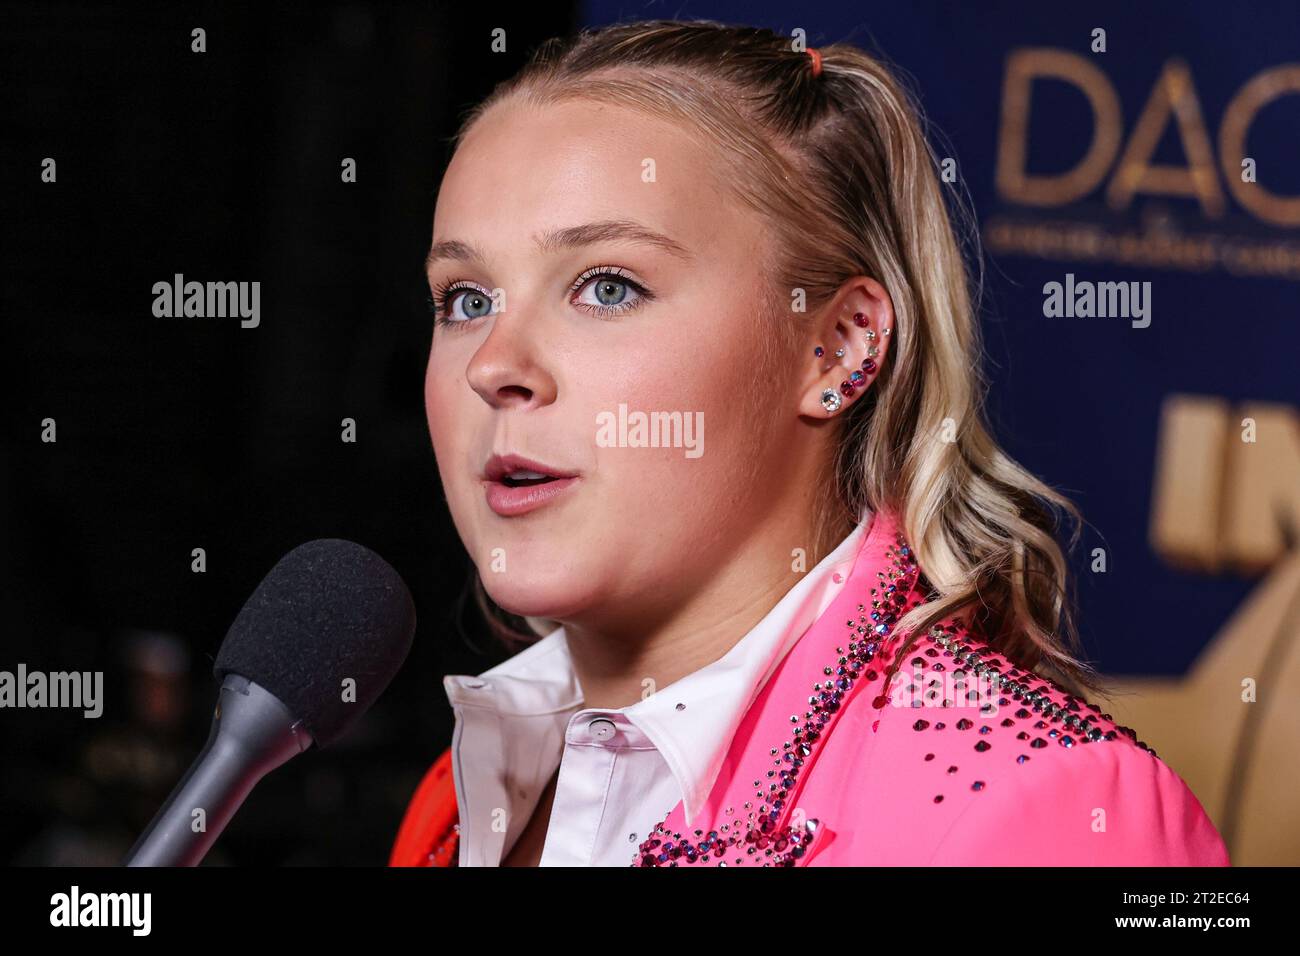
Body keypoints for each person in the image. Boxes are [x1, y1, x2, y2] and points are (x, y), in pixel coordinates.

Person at [391, 19, 1229, 867]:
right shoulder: (468, 791)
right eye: (464, 299)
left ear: (838, 346)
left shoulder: (1044, 805)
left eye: (608, 286)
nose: (493, 365)